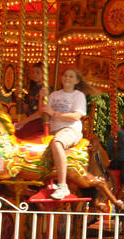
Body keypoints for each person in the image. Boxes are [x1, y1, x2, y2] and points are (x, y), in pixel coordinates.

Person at [44, 68, 88, 200]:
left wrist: (55, 114)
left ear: (77, 81)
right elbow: (44, 112)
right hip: (53, 130)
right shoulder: (53, 95)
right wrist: (42, 96)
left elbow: (75, 116)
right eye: (65, 75)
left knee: (57, 143)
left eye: (71, 76)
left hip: (70, 129)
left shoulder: (78, 95)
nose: (67, 78)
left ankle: (63, 185)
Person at [15, 63, 47, 139]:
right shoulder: (32, 90)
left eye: (37, 72)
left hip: (40, 122)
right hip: (31, 120)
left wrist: (24, 121)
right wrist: (18, 98)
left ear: (44, 74)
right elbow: (25, 109)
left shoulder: (45, 90)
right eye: (32, 72)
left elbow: (40, 113)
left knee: (21, 133)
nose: (34, 74)